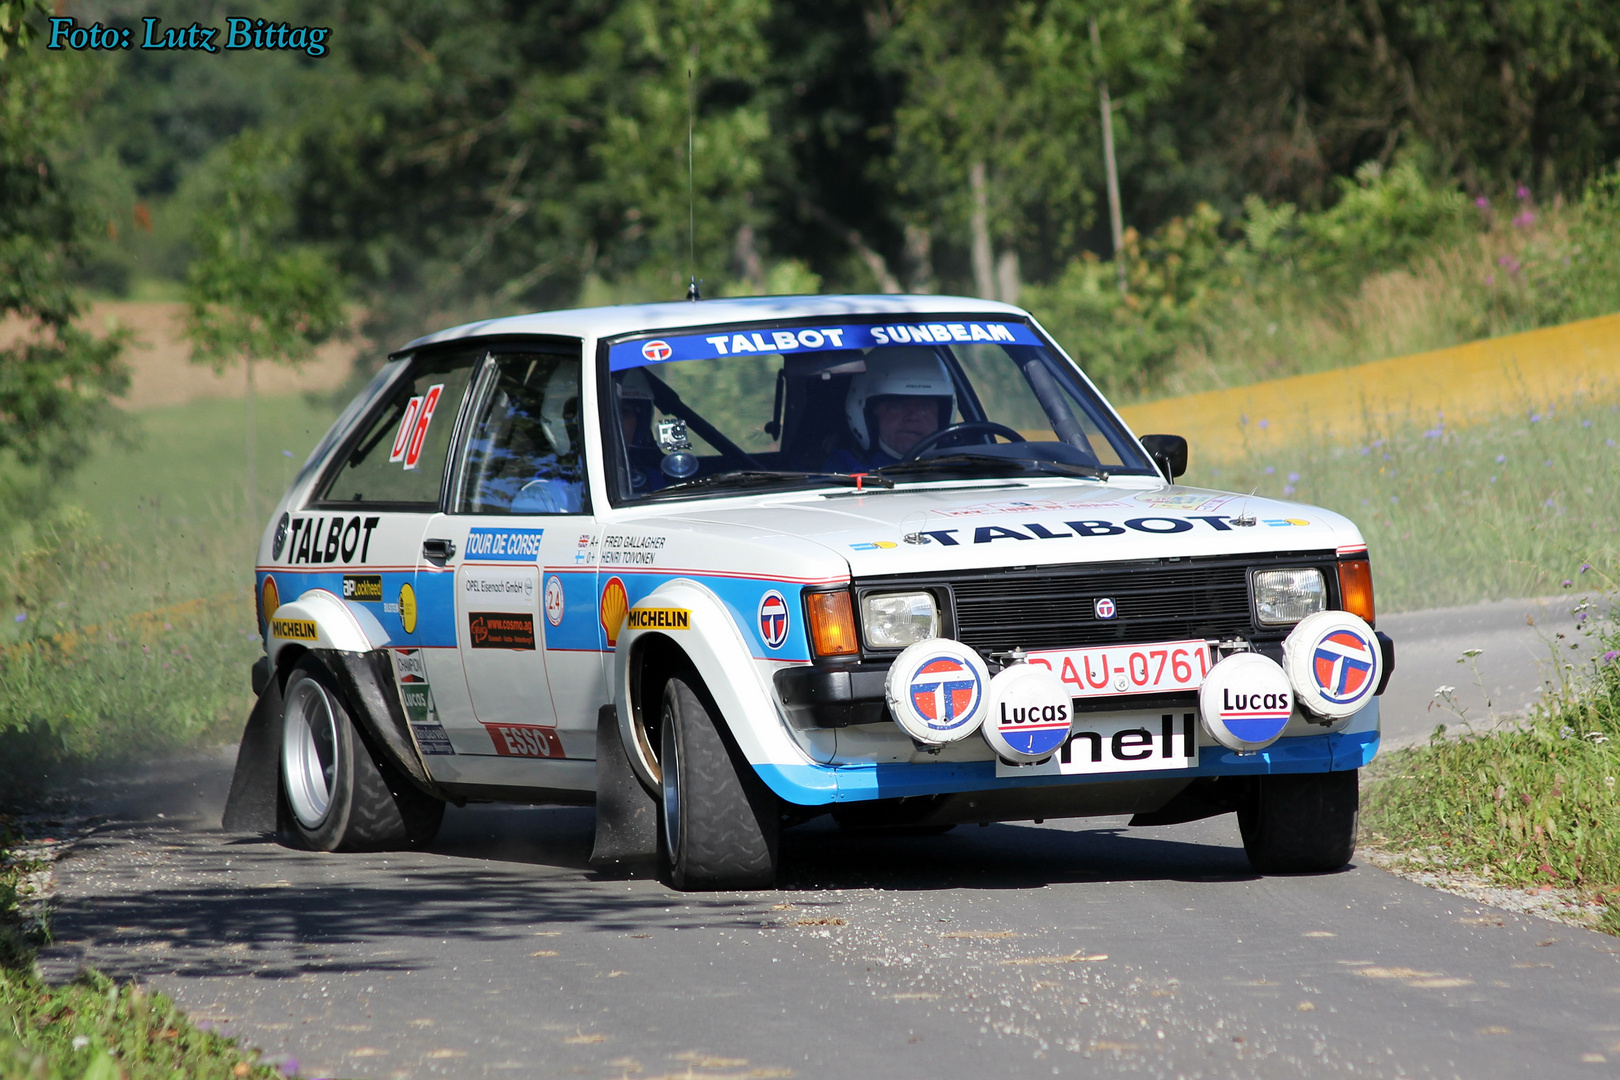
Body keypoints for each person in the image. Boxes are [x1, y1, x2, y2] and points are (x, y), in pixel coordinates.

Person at [824, 347, 956, 472]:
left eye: (924, 407)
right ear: (870, 415)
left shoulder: (966, 465)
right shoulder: (840, 472)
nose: (912, 417)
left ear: (943, 415)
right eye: (897, 406)